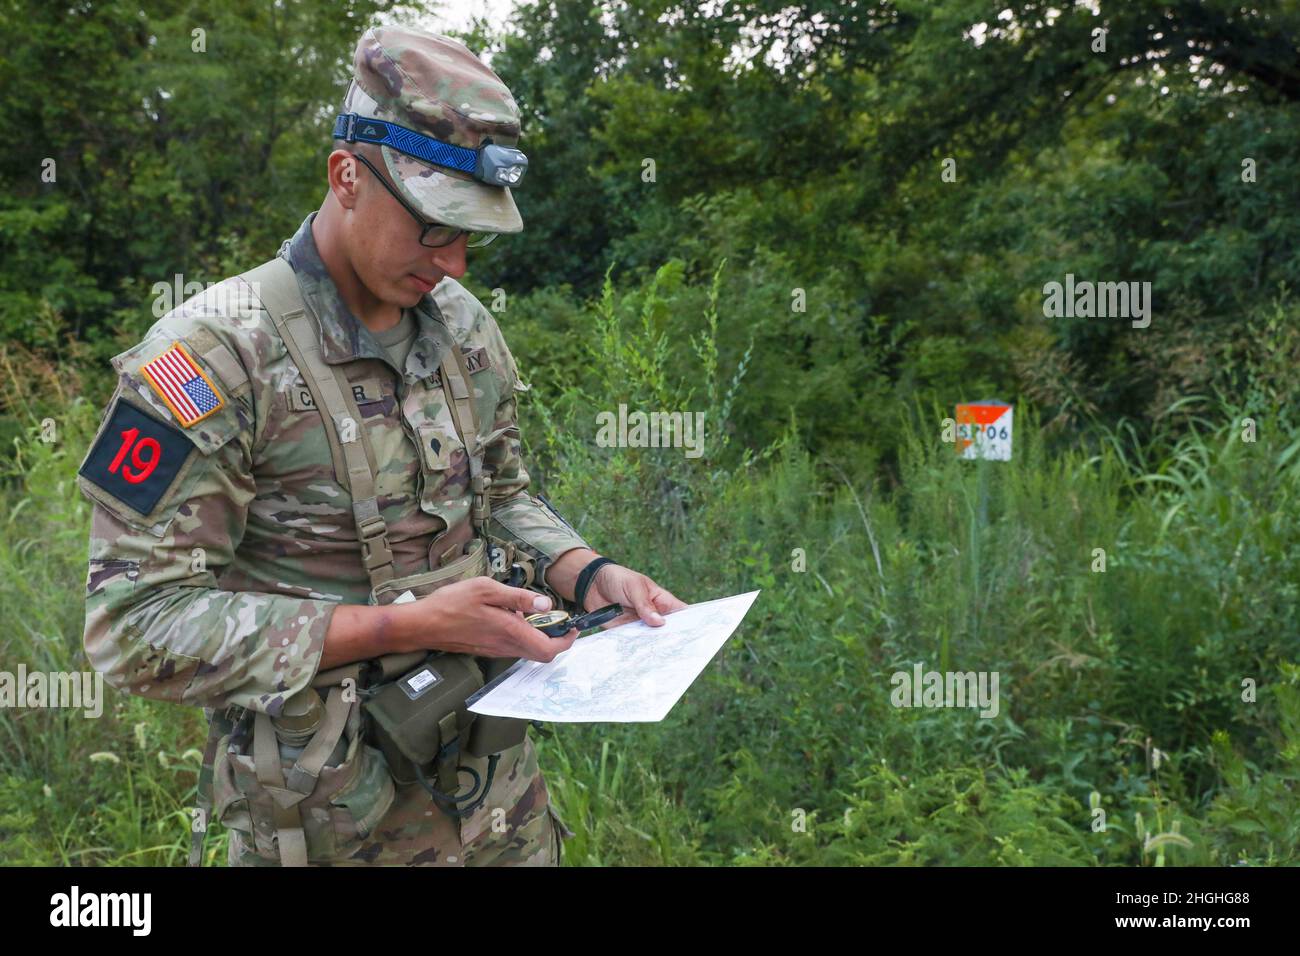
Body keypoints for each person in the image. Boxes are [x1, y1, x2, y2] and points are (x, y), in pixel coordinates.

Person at [77, 23, 686, 867]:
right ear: (347, 177)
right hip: (328, 821)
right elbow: (132, 625)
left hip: (494, 794)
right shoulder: (210, 358)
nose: (457, 264)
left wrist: (587, 571)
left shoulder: (462, 326)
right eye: (436, 229)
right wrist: (400, 625)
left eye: (473, 235)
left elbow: (503, 492)